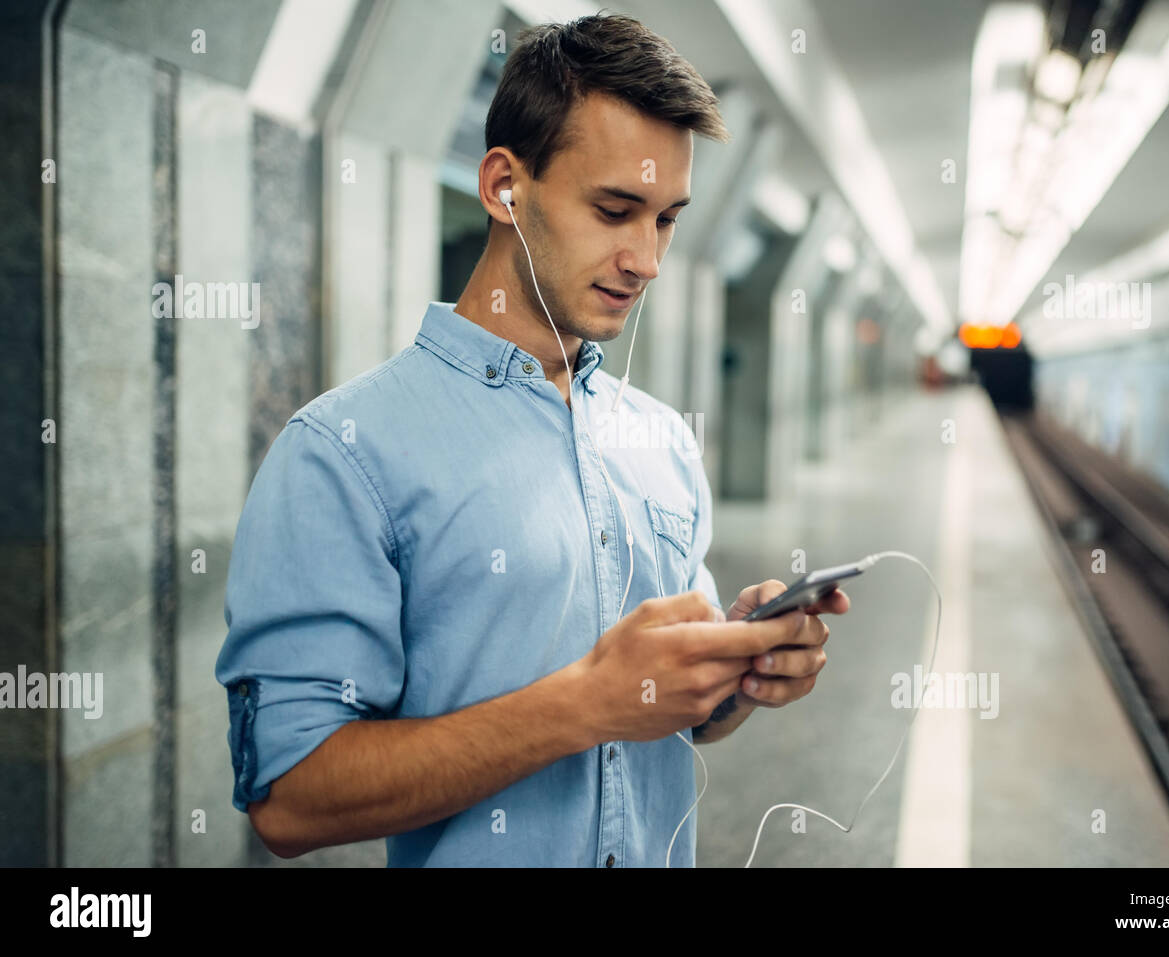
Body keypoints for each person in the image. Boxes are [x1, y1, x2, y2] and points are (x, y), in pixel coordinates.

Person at [215, 11, 848, 868]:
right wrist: (585, 702)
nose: (647, 259)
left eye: (665, 219)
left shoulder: (661, 441)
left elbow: (669, 719)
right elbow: (288, 800)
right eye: (616, 209)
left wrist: (734, 677)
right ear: (504, 187)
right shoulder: (344, 453)